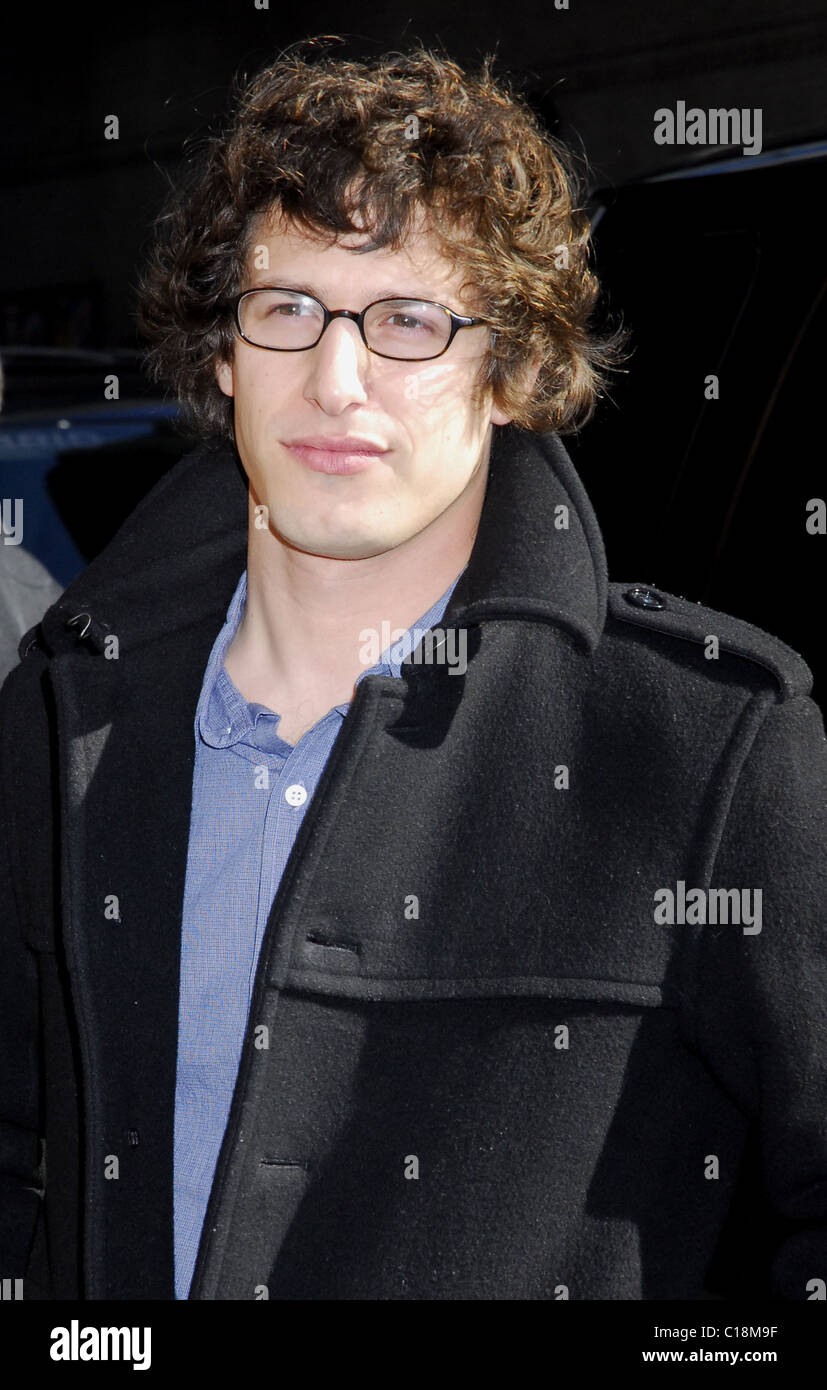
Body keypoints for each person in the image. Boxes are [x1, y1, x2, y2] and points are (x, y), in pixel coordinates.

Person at [0, 41, 824, 1303]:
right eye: (286, 311)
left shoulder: (701, 749)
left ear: (509, 370)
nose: (335, 381)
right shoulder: (61, 717)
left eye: (406, 321)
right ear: (221, 356)